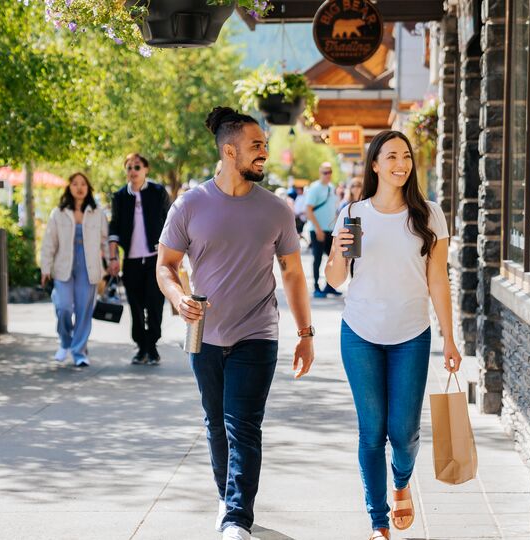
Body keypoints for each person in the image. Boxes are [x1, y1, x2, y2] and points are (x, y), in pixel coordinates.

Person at [156, 106, 315, 540]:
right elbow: (166, 266)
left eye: (265, 145)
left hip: (257, 332)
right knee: (214, 421)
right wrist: (178, 297)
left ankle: (236, 518)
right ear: (230, 150)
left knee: (242, 422)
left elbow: (294, 274)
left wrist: (305, 334)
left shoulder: (277, 210)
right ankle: (228, 498)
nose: (265, 152)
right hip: (203, 334)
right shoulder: (189, 205)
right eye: (256, 146)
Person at [325, 130, 462, 540]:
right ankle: (378, 521)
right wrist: (339, 251)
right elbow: (335, 280)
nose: (400, 163)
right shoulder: (354, 214)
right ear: (374, 165)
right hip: (360, 333)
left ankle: (402, 481)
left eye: (405, 156)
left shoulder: (429, 215)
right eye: (391, 157)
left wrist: (449, 339)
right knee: (372, 430)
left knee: (403, 432)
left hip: (411, 335)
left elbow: (438, 280)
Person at [107, 153, 171, 366]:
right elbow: (114, 226)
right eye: (129, 168)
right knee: (135, 307)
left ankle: (152, 347)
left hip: (155, 259)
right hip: (132, 261)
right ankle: (141, 347)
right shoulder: (120, 196)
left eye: (137, 167)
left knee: (154, 305)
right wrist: (113, 257)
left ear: (146, 169)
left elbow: (170, 223)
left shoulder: (157, 192)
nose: (133, 171)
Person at [41, 172, 109, 367]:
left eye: (83, 184)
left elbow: (105, 241)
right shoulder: (58, 213)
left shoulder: (97, 213)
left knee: (83, 310)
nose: (79, 187)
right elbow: (48, 243)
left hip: (89, 266)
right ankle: (65, 342)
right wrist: (45, 268)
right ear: (69, 188)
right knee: (63, 307)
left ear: (88, 188)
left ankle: (79, 352)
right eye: (75, 184)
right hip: (64, 266)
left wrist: (111, 262)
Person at [306, 161, 341, 298]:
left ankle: (329, 286)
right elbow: (308, 210)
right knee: (318, 258)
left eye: (330, 172)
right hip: (317, 230)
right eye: (325, 172)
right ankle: (316, 287)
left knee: (333, 259)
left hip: (330, 230)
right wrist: (318, 229)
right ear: (320, 173)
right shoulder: (315, 188)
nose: (328, 175)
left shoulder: (331, 188)